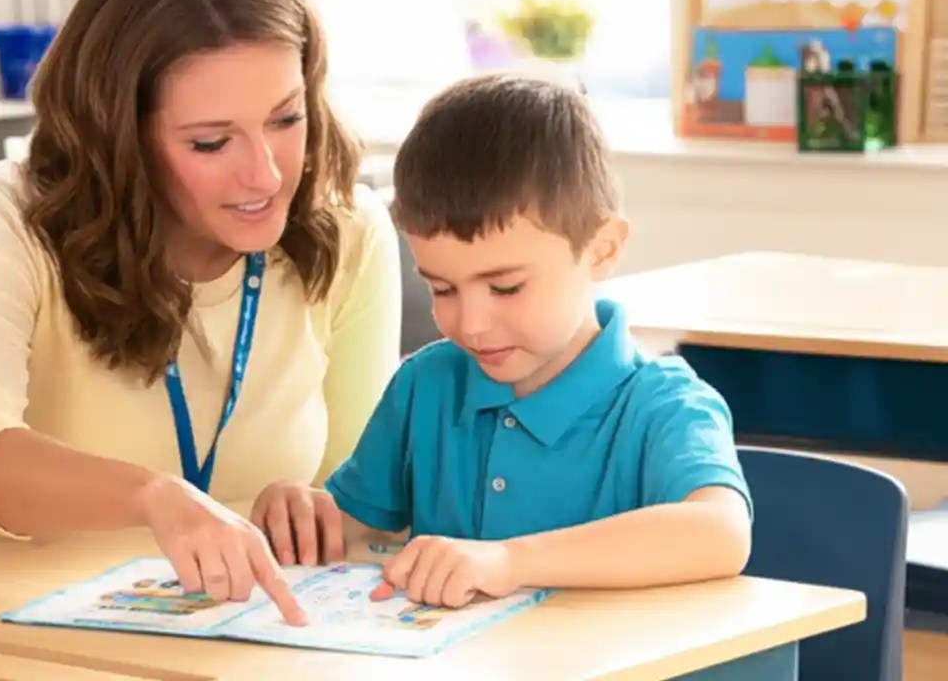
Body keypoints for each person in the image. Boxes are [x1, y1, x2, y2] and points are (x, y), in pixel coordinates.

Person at [0, 0, 402, 625]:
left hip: (228, 640)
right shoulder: (2, 218)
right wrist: (152, 498)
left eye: (286, 119)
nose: (265, 172)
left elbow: (364, 497)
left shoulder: (348, 230)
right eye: (210, 141)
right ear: (120, 136)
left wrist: (318, 506)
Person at [251, 74, 752, 608]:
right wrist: (302, 514)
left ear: (602, 250)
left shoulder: (663, 404)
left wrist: (512, 561)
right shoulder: (427, 384)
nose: (471, 324)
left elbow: (719, 533)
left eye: (506, 287)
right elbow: (350, 528)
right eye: (441, 288)